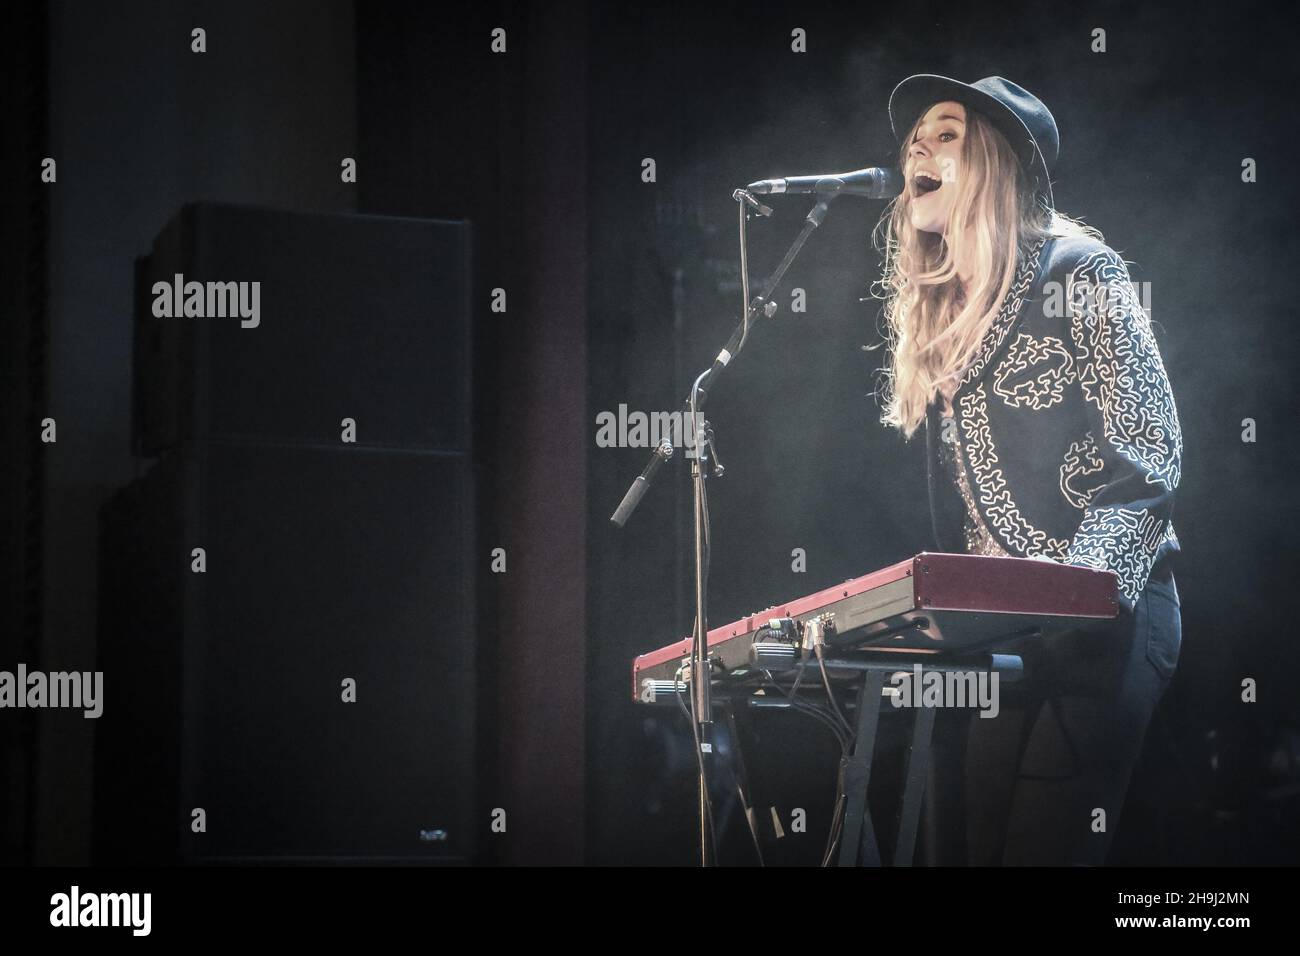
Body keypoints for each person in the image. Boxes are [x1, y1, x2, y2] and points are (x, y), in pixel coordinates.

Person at [874, 75, 1184, 865]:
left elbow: (1149, 458)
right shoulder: (943, 315)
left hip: (1105, 623)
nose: (918, 145)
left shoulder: (1081, 271)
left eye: (945, 133)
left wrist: (1074, 597)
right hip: (1004, 640)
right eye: (916, 136)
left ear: (996, 161)